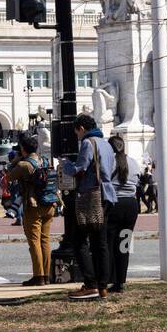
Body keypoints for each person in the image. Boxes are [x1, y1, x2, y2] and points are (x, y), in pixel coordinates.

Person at [61, 114, 116, 302]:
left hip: (90, 196)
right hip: (107, 194)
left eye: (76, 131)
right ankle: (103, 286)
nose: (77, 135)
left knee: (79, 240)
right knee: (101, 243)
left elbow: (80, 168)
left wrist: (66, 165)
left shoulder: (88, 143)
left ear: (81, 128)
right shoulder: (106, 143)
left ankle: (90, 284)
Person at [6, 133, 56, 286]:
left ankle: (38, 276)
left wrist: (15, 160)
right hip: (50, 204)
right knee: (45, 240)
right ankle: (46, 275)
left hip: (34, 205)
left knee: (34, 241)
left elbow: (8, 177)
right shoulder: (44, 161)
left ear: (23, 149)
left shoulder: (24, 165)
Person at [105, 134, 140, 294]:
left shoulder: (109, 161)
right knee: (124, 245)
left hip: (114, 204)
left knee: (109, 243)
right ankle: (121, 281)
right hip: (131, 206)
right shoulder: (133, 162)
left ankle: (109, 279)